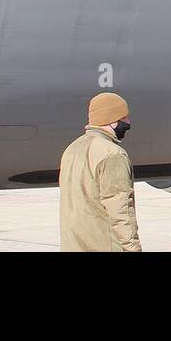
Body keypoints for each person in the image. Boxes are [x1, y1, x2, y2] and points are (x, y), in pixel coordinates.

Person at [59, 92, 141, 252]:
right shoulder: (112, 154)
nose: (129, 123)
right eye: (125, 118)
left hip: (73, 245)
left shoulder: (72, 149)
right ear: (112, 118)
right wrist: (133, 248)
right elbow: (120, 209)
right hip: (104, 245)